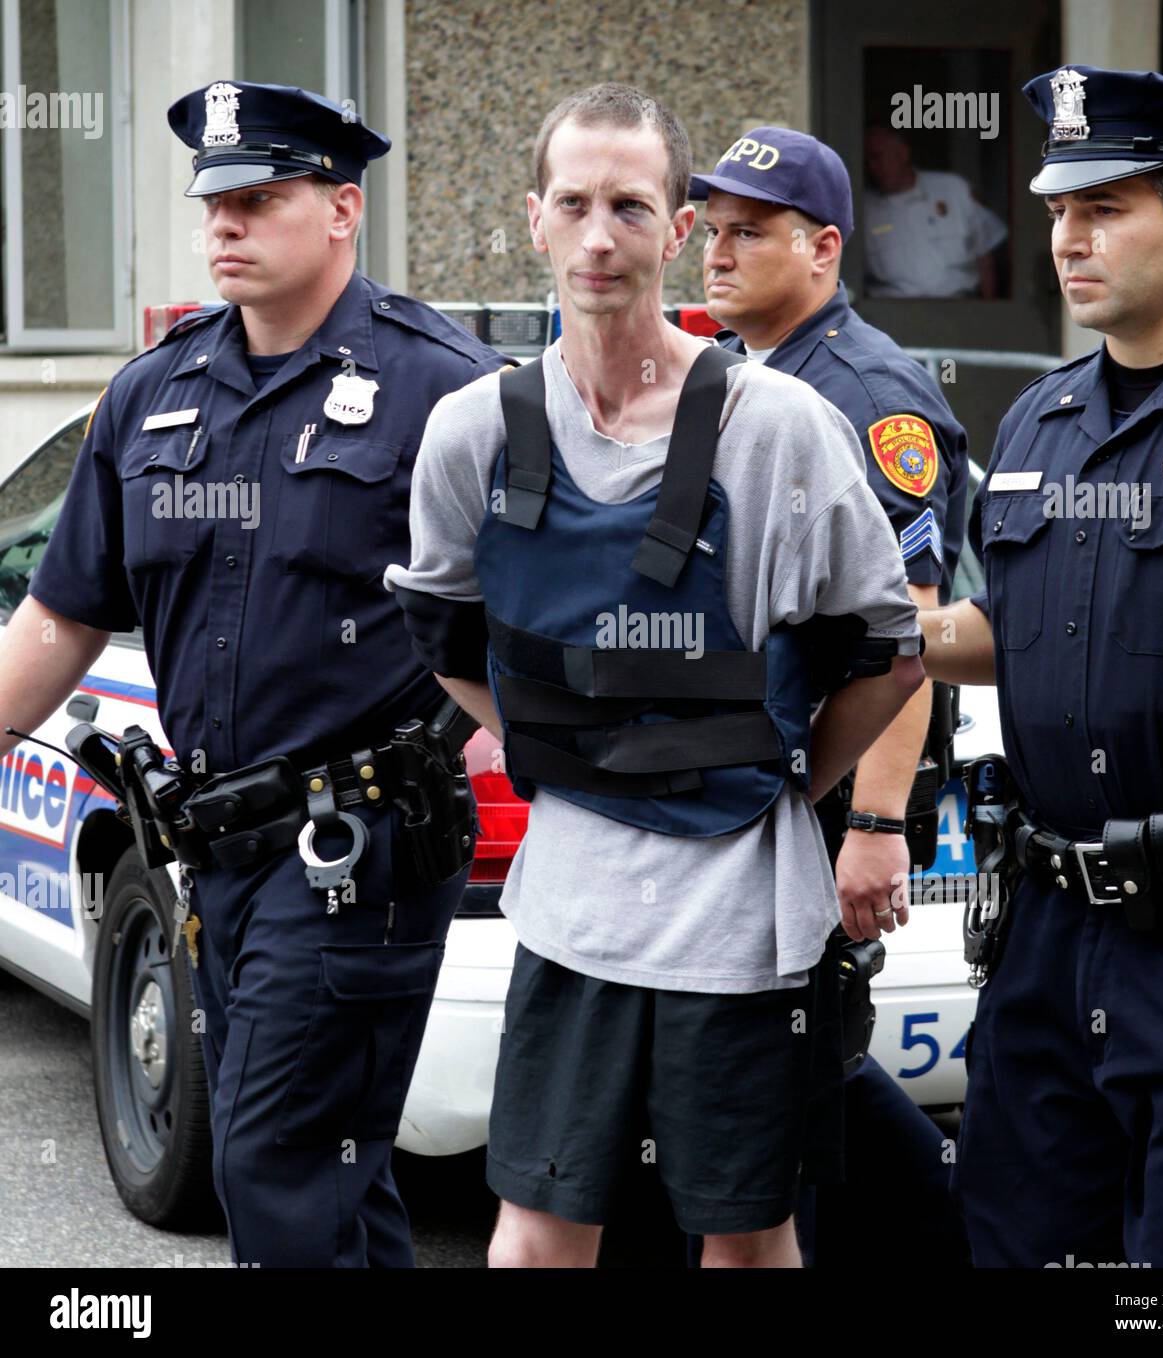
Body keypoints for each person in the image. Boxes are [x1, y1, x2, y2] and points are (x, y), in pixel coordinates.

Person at [386, 82, 925, 1268]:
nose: (598, 235)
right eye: (572, 202)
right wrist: (564, 750)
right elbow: (441, 628)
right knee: (533, 1236)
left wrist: (785, 774)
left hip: (743, 929)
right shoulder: (473, 429)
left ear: (677, 230)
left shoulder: (780, 428)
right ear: (533, 219)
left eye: (630, 205)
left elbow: (888, 646)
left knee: (743, 1238)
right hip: (571, 915)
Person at [1, 81, 505, 1266]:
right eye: (215, 199)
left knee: (273, 1162)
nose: (225, 221)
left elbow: (534, 607)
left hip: (357, 846)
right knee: (325, 1167)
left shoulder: (447, 387)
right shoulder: (153, 392)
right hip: (214, 854)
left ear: (342, 208)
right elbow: (58, 618)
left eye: (259, 197)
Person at [919, 65, 1163, 1267]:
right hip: (1043, 937)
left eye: (1104, 209)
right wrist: (873, 633)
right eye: (1055, 211)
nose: (1067, 240)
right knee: (1018, 1242)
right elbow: (1013, 629)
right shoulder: (1037, 419)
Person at [692, 125, 971, 1265]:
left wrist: (872, 825)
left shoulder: (866, 391)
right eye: (707, 231)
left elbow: (901, 632)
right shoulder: (737, 376)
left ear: (822, 247)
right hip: (749, 794)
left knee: (789, 1079)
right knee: (791, 1079)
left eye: (746, 233)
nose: (714, 252)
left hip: (822, 802)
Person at [862, 125, 1006, 299]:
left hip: (959, 310)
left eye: (877, 156)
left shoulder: (952, 189)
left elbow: (985, 254)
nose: (871, 166)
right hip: (890, 312)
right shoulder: (862, 208)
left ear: (902, 153)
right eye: (866, 160)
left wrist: (988, 315)